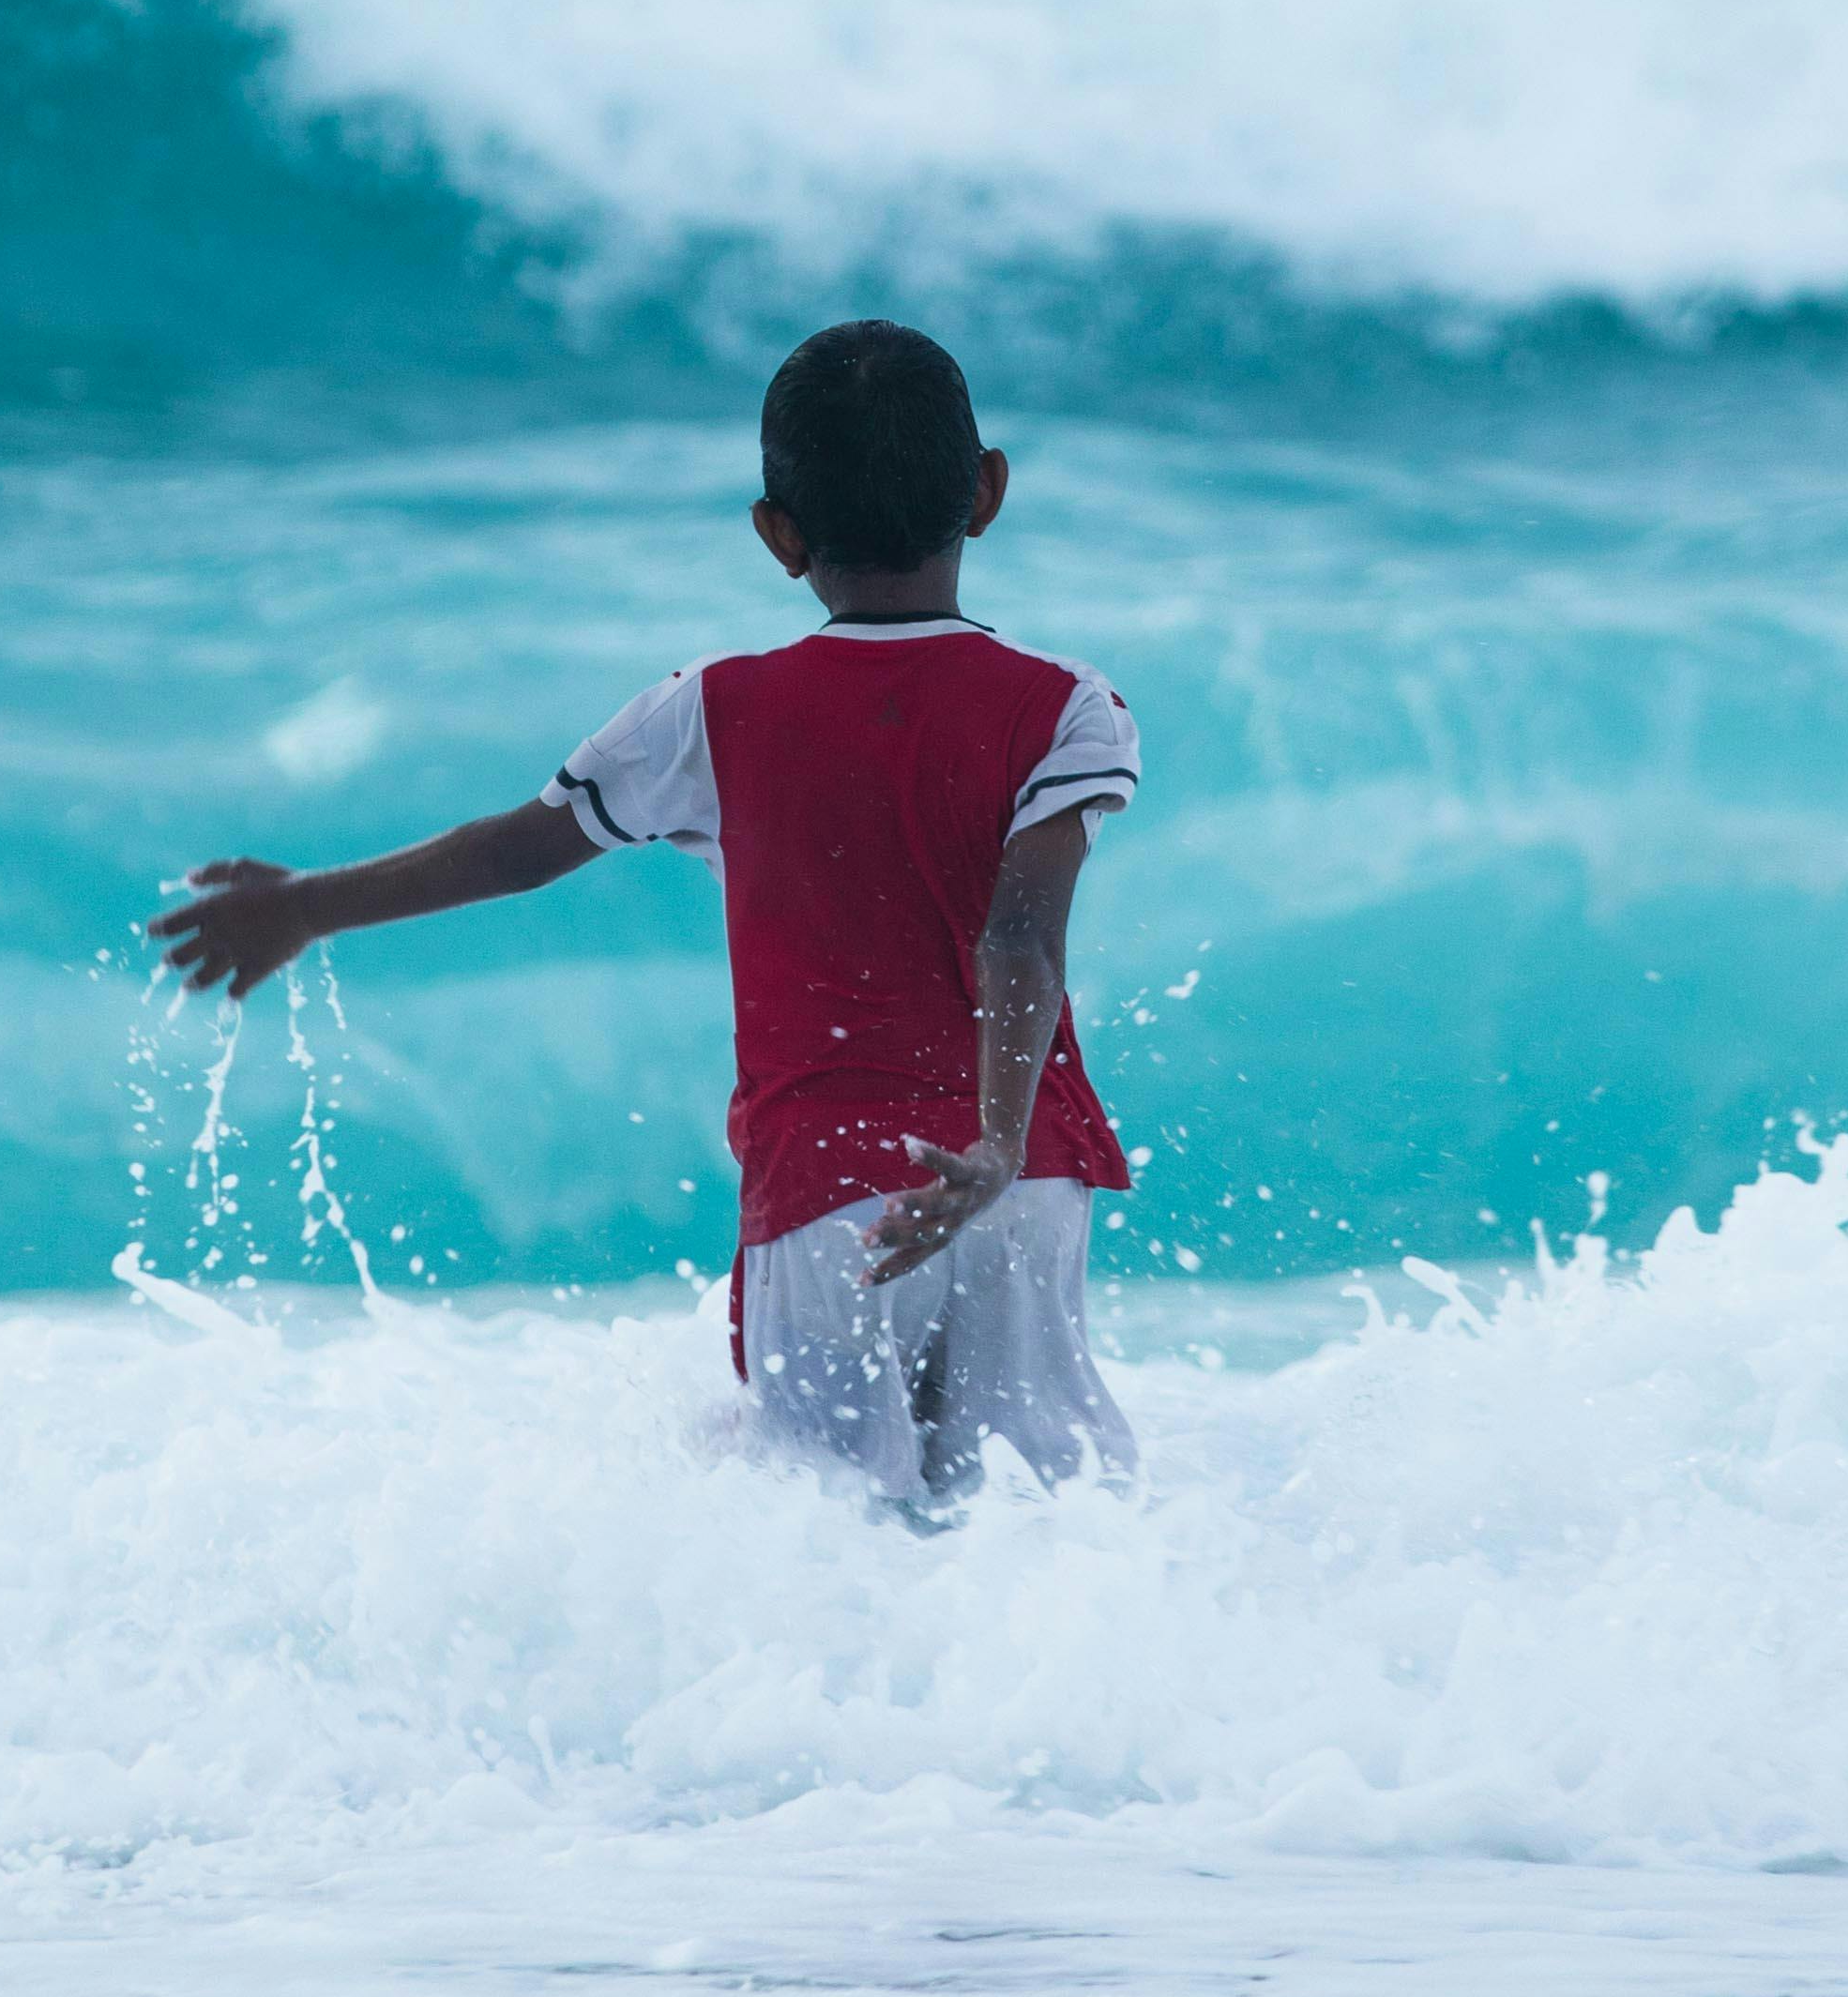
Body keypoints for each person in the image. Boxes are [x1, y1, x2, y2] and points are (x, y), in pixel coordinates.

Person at [149, 319, 1143, 1500]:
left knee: (833, 1537)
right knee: (1037, 1531)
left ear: (778, 535)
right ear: (985, 493)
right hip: (1017, 1169)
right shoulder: (1067, 707)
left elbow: (517, 852)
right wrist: (985, 1147)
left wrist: (307, 906)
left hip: (826, 1188)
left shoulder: (711, 709)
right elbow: (1018, 935)